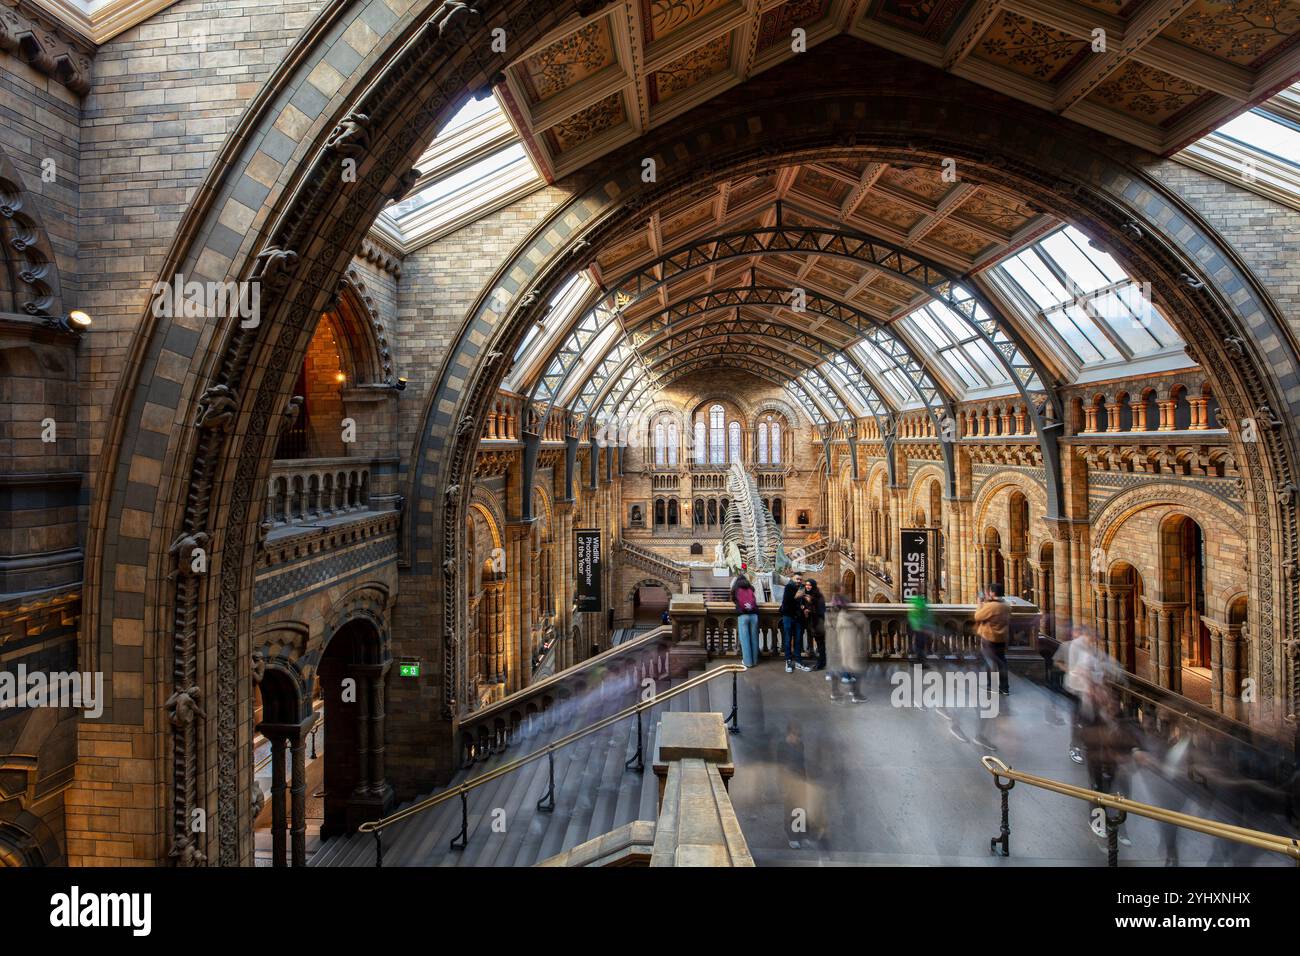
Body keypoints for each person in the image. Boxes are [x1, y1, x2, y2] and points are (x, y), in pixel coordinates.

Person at [973, 582, 1010, 696]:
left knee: (989, 661)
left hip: (990, 637)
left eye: (990, 591)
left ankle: (990, 685)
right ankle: (1004, 688)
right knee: (1001, 661)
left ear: (992, 592)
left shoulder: (991, 606)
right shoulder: (1006, 605)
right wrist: (989, 601)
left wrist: (980, 603)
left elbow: (977, 616)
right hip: (1002, 637)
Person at [830, 597, 867, 702]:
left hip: (842, 647)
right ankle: (856, 694)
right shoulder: (851, 618)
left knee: (839, 669)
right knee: (855, 670)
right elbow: (862, 628)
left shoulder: (839, 617)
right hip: (850, 648)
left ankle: (835, 692)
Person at [780, 572, 809, 673]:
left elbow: (803, 602)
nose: (799, 581)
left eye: (800, 579)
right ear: (792, 578)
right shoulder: (789, 587)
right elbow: (789, 600)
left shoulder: (801, 587)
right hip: (788, 617)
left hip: (798, 618)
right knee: (788, 639)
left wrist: (804, 607)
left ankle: (798, 662)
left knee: (798, 640)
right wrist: (801, 595)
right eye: (797, 579)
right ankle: (788, 661)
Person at [731, 573, 760, 668]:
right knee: (754, 639)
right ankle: (755, 661)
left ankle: (748, 662)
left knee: (745, 640)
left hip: (743, 615)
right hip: (754, 614)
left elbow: (734, 600)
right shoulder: (751, 588)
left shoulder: (736, 589)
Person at [801, 579, 827, 670]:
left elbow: (821, 610)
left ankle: (821, 663)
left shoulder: (818, 596)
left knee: (821, 644)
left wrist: (810, 607)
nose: (807, 586)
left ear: (813, 586)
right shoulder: (808, 595)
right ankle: (821, 662)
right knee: (820, 643)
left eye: (810, 585)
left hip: (818, 623)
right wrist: (804, 608)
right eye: (806, 585)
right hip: (813, 623)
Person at [908, 594, 935, 665]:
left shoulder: (919, 604)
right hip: (921, 628)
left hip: (920, 629)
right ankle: (921, 661)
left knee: (919, 645)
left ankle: (921, 661)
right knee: (919, 645)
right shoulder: (921, 603)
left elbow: (917, 616)